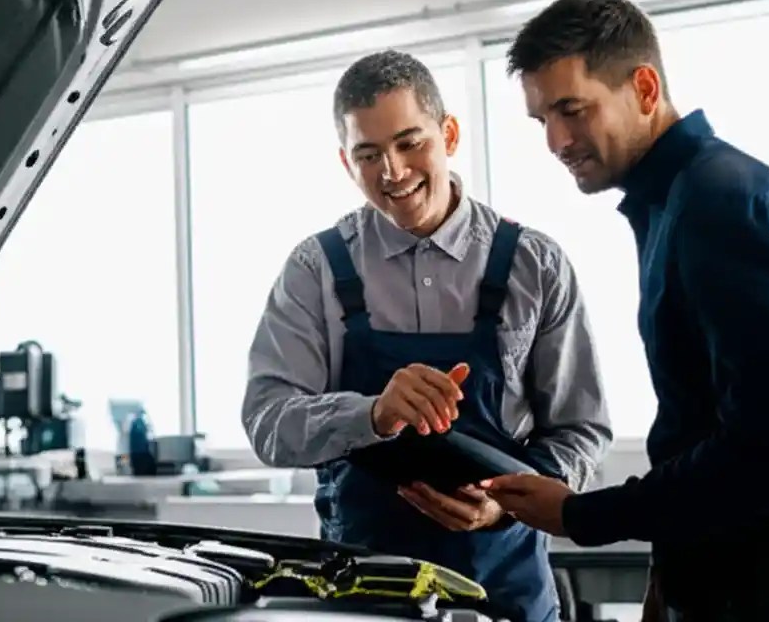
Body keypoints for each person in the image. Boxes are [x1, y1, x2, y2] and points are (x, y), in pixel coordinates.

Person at [479, 0, 769, 621]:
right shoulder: (676, 202)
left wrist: (583, 514)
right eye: (542, 121)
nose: (556, 140)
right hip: (723, 571)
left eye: (571, 109)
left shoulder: (720, 204)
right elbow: (713, 423)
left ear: (643, 86)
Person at [241, 49, 613, 622]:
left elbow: (581, 430)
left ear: (449, 134)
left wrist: (506, 505)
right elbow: (268, 421)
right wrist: (372, 416)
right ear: (346, 162)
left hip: (506, 592)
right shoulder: (314, 270)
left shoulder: (535, 265)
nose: (392, 171)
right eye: (369, 154)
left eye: (410, 143)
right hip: (362, 599)